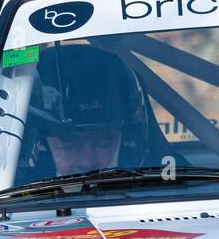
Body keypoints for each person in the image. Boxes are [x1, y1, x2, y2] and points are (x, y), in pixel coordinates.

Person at [23, 44, 155, 179]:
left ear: (124, 145)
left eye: (103, 144)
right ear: (39, 149)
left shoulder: (162, 192)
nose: (88, 162)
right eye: (68, 145)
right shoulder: (5, 186)